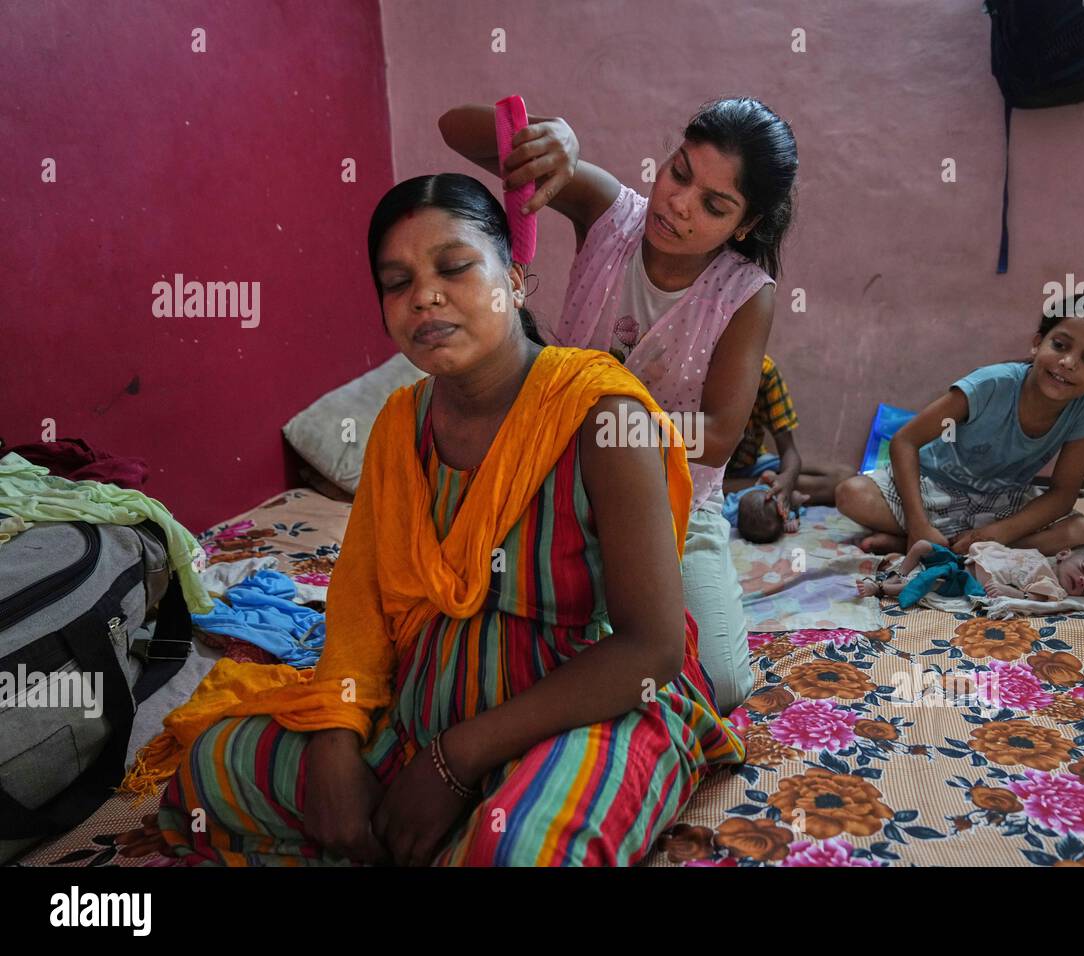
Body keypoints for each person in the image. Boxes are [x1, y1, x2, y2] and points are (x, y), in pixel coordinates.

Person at [115, 173, 744, 867]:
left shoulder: (602, 417)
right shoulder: (397, 426)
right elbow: (358, 609)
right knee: (214, 770)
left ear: (517, 277)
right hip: (430, 702)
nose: (426, 296)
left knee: (517, 850)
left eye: (454, 267)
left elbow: (650, 649)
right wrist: (335, 737)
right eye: (397, 281)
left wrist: (452, 762)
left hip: (587, 706)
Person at [439, 96, 798, 712]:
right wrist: (558, 140)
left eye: (714, 205)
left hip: (672, 500)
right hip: (556, 483)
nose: (680, 204)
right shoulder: (609, 216)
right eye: (679, 172)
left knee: (721, 683)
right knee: (476, 632)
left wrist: (607, 429)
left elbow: (716, 436)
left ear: (745, 225)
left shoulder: (745, 295)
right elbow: (456, 129)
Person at [836, 293, 1084, 558]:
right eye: (1059, 345)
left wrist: (999, 534)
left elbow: (1063, 492)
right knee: (852, 494)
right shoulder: (990, 384)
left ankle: (960, 549)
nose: (1069, 362)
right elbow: (905, 441)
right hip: (932, 487)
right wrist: (918, 523)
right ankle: (924, 538)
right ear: (1037, 343)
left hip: (1003, 501)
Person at [723, 354, 856, 517]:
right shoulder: (695, 372)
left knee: (845, 477)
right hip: (707, 473)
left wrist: (786, 481)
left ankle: (757, 488)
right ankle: (751, 489)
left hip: (751, 462)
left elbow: (788, 450)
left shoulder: (764, 370)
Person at [858, 539, 1084, 605]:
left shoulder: (1053, 586)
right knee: (922, 546)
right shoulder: (1038, 556)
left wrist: (1007, 591)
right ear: (1063, 554)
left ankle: (881, 589)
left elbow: (1033, 600)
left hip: (964, 579)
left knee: (930, 580)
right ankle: (899, 572)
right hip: (966, 559)